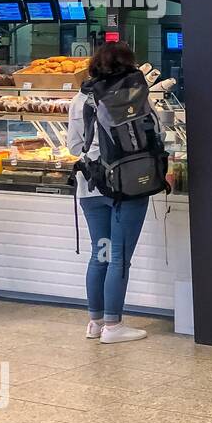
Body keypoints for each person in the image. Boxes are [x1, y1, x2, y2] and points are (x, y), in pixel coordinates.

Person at [69, 42, 156, 344]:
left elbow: (71, 147)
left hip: (91, 187)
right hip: (128, 186)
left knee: (101, 252)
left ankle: (95, 322)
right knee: (119, 257)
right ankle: (114, 326)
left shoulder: (79, 99)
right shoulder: (136, 96)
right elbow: (155, 135)